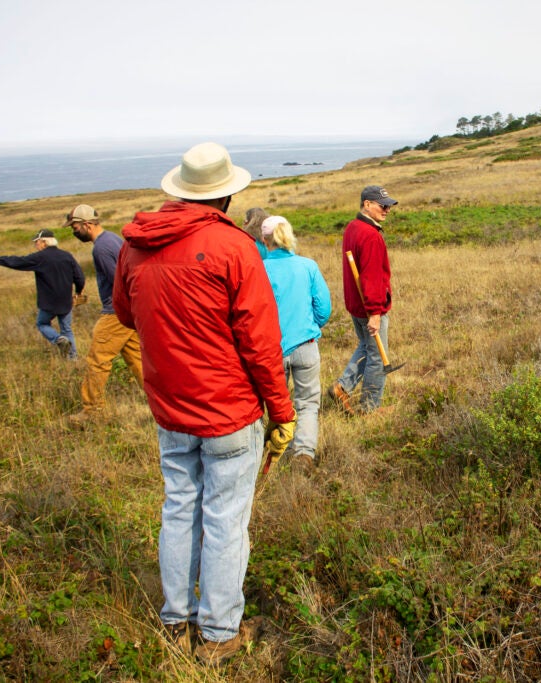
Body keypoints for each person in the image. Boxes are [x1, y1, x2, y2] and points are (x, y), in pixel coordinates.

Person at [112, 142, 297, 665]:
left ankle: (176, 620)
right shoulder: (233, 247)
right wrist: (282, 411)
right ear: (227, 195)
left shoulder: (134, 244)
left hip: (170, 408)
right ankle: (218, 633)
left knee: (179, 510)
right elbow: (261, 344)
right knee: (223, 520)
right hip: (228, 412)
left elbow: (126, 314)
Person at [255, 214, 331, 474]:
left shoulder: (258, 270)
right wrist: (310, 326)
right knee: (308, 402)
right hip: (305, 345)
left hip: (269, 350)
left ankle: (276, 451)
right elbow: (324, 309)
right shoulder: (308, 266)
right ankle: (304, 454)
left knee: (274, 402)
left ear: (264, 240)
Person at [65, 204, 144, 425]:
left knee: (97, 360)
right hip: (126, 312)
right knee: (137, 359)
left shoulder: (101, 247)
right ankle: (159, 399)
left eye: (75, 227)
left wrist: (123, 308)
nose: (73, 231)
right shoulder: (112, 239)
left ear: (87, 224)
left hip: (115, 313)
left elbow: (121, 280)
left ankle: (92, 410)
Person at [329, 185, 397, 415]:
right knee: (378, 357)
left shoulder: (353, 227)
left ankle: (343, 387)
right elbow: (371, 277)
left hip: (357, 305)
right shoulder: (370, 235)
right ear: (367, 204)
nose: (387, 210)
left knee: (367, 348)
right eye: (382, 205)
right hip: (368, 307)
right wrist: (375, 312)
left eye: (388, 206)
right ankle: (370, 409)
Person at [0, 229, 85, 359]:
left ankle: (58, 339)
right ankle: (73, 358)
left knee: (42, 324)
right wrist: (78, 292)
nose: (35, 245)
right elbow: (80, 277)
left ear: (44, 242)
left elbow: (18, 262)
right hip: (66, 301)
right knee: (67, 329)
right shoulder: (67, 256)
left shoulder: (40, 257)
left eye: (36, 242)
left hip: (48, 303)